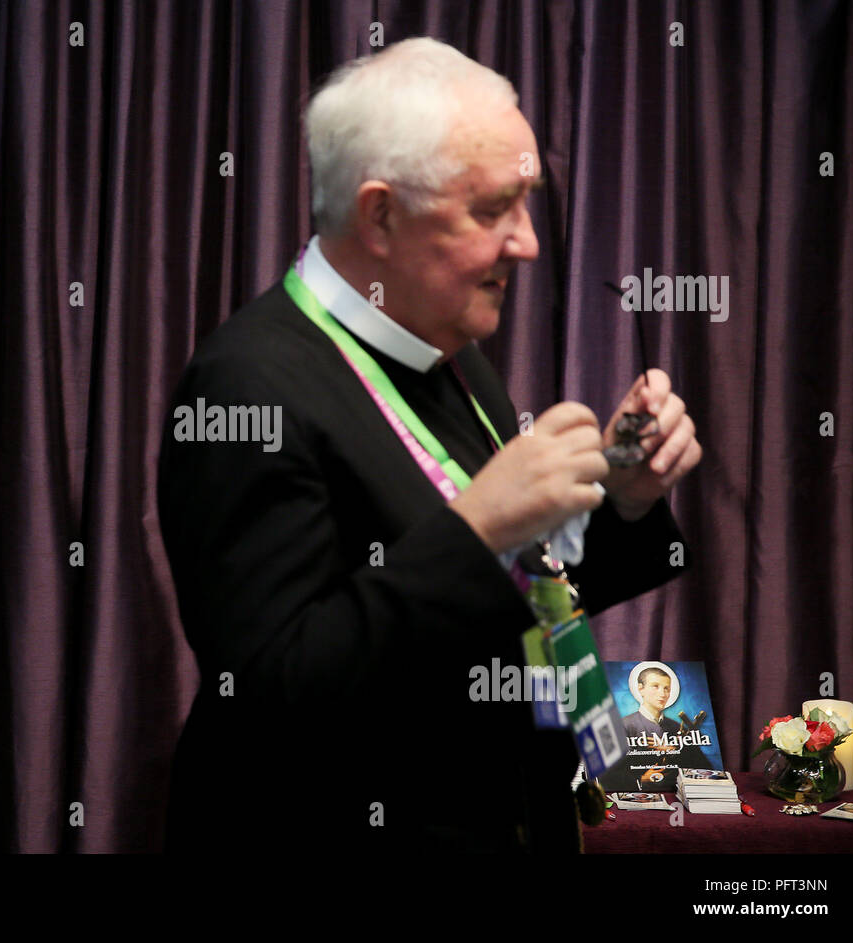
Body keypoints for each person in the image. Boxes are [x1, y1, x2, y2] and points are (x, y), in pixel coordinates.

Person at [157, 38, 702, 853]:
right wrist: (476, 531)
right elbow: (271, 691)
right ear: (380, 215)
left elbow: (517, 595)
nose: (527, 242)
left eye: (526, 202)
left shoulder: (446, 348)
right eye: (491, 209)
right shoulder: (245, 385)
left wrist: (622, 500)